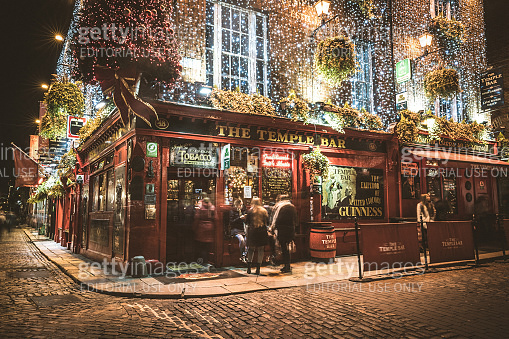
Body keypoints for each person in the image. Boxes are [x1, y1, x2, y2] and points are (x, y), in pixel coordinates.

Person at [271, 195, 298, 273]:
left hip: (282, 230)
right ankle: (287, 264)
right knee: (287, 248)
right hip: (291, 230)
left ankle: (286, 266)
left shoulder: (280, 207)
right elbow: (296, 220)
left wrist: (272, 228)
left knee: (284, 248)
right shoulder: (292, 207)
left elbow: (276, 219)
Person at [245, 198, 269, 275]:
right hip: (261, 231)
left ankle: (249, 267)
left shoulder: (250, 211)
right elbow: (267, 222)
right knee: (261, 250)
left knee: (251, 249)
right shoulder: (264, 211)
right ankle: (258, 269)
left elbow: (247, 222)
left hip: (252, 231)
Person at [193, 197, 216, 264]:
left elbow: (196, 217)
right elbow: (216, 218)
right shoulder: (212, 207)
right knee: (207, 246)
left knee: (201, 246)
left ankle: (202, 261)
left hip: (201, 227)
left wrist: (194, 227)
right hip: (210, 227)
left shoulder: (200, 207)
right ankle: (207, 260)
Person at [229, 198, 247, 263]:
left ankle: (244, 255)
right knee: (241, 240)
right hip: (235, 230)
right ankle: (242, 255)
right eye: (240, 205)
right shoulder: (232, 211)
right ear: (237, 205)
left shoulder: (243, 211)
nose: (241, 206)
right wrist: (239, 218)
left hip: (243, 230)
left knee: (247, 240)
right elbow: (231, 222)